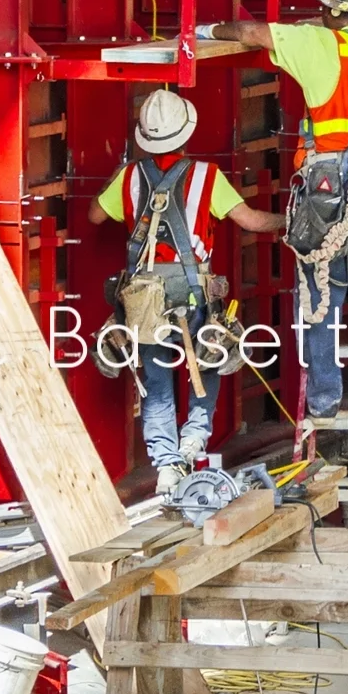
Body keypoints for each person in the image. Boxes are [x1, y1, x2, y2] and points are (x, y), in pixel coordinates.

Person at [200, 0, 348, 419]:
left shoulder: (316, 44)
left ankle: (323, 399)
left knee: (320, 294)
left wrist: (206, 29)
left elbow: (250, 32)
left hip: (329, 188)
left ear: (326, 8)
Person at [90, 89, 284, 493]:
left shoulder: (129, 178)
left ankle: (165, 464)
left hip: (142, 297)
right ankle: (194, 439)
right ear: (184, 134)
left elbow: (94, 215)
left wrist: (121, 174)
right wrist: (289, 221)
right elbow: (249, 221)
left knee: (156, 378)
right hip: (192, 293)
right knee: (209, 358)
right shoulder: (206, 177)